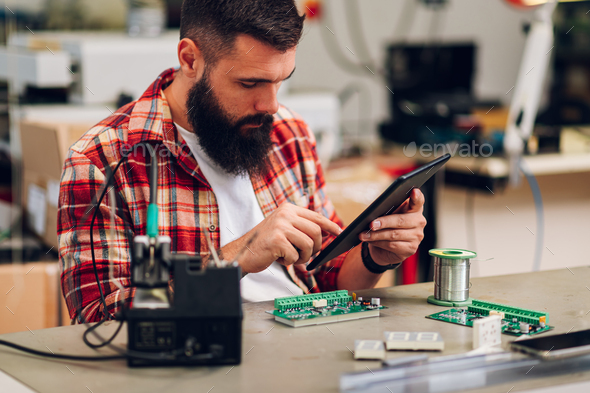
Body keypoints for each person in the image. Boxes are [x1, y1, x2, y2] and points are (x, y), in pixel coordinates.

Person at [58, 0, 427, 323]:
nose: (271, 106)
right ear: (190, 59)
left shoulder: (290, 133)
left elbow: (327, 279)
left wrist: (374, 256)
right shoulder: (101, 161)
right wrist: (237, 257)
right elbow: (102, 322)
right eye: (250, 84)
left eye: (280, 81)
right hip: (196, 362)